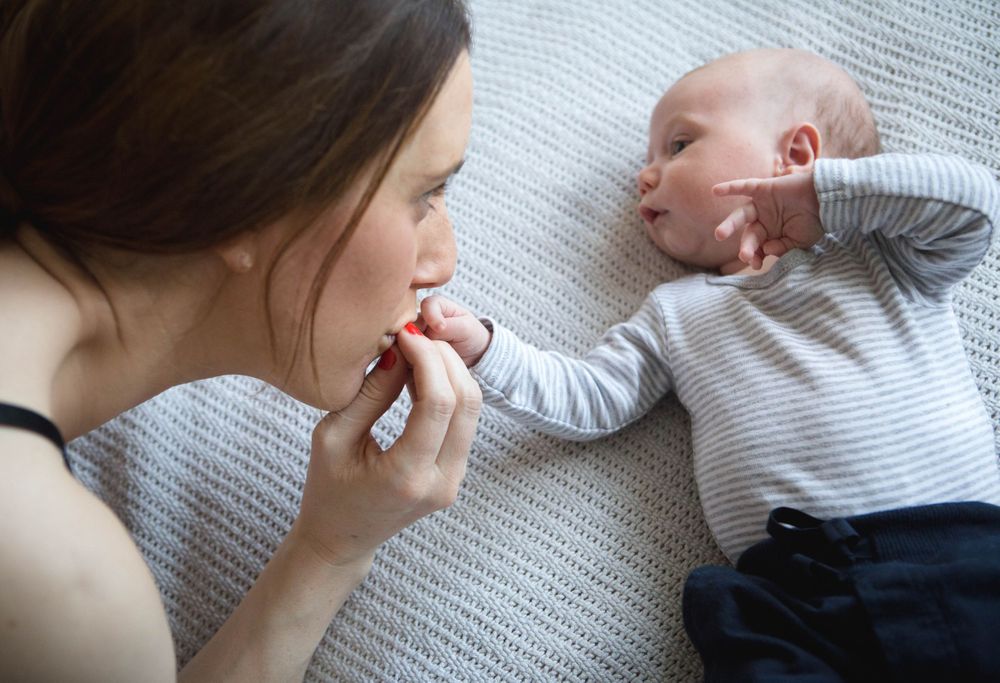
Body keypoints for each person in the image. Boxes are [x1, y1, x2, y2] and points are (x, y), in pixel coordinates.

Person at [421, 48, 1000, 679]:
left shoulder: (884, 257)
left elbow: (973, 205)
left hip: (954, 550)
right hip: (793, 599)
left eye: (677, 144)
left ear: (798, 156)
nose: (645, 175)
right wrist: (486, 346)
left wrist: (830, 197)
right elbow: (589, 395)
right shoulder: (676, 314)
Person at [0, 1, 481, 680]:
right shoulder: (62, 586)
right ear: (240, 188)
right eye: (426, 194)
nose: (443, 260)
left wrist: (328, 547)